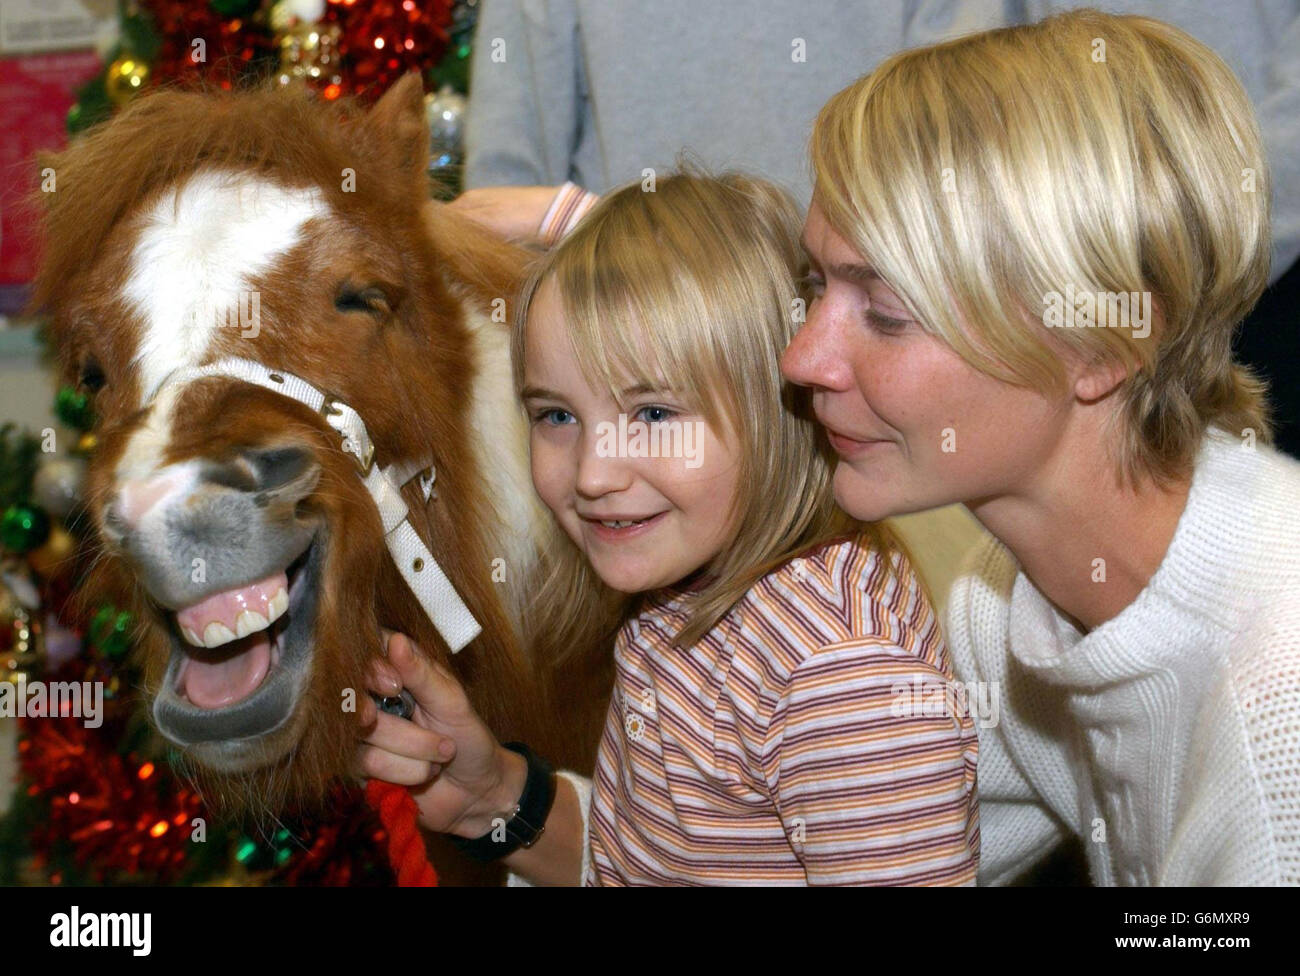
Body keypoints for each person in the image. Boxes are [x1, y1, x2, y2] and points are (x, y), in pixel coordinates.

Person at [779, 9, 1300, 884]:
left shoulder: (1276, 718)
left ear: (1100, 347)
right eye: (816, 287)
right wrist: (509, 803)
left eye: (886, 314)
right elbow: (844, 850)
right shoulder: (1016, 600)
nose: (803, 360)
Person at [356, 170, 980, 885]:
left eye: (653, 415)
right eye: (556, 415)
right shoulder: (683, 593)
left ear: (783, 403)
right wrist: (492, 798)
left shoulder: (840, 679)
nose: (593, 474)